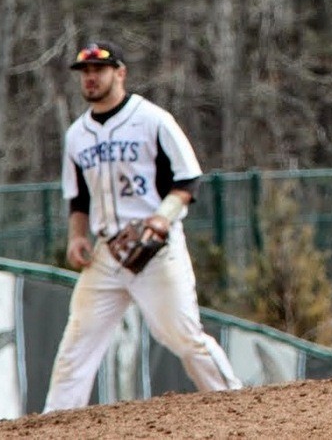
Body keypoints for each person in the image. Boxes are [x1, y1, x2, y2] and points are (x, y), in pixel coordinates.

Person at [43, 40, 242, 411]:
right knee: (75, 348)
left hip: (156, 249)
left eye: (98, 70)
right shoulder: (76, 135)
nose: (90, 78)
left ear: (120, 73)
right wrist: (76, 237)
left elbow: (187, 180)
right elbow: (78, 199)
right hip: (106, 254)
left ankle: (235, 404)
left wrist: (161, 217)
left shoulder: (152, 119)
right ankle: (52, 426)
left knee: (184, 338)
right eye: (85, 72)